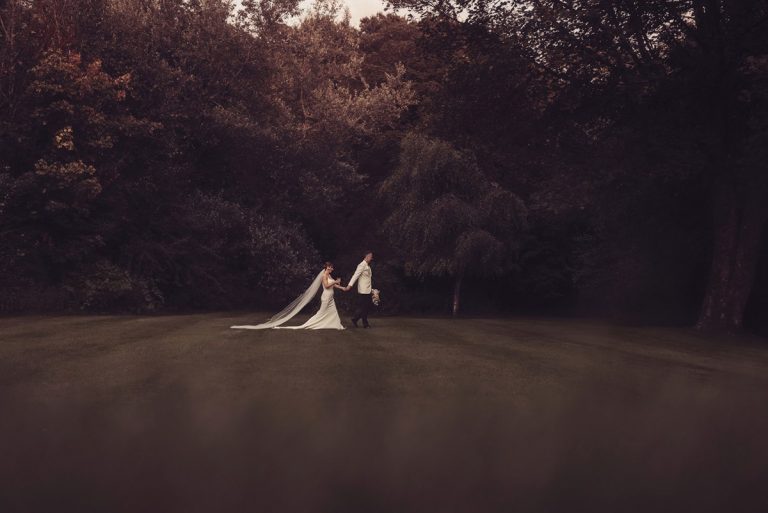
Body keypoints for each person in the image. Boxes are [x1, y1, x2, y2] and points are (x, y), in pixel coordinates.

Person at [230, 262, 347, 330]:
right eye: (330, 267)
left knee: (333, 311)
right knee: (321, 312)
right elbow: (326, 285)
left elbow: (333, 285)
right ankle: (310, 324)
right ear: (326, 267)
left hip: (330, 297)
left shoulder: (329, 275)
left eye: (332, 267)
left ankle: (337, 325)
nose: (332, 268)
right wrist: (335, 281)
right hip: (326, 296)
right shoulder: (324, 275)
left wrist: (341, 287)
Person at [345, 250, 374, 328]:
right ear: (367, 256)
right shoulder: (361, 265)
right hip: (363, 290)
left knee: (366, 307)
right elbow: (355, 276)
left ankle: (355, 319)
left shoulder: (367, 266)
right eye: (371, 257)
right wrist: (349, 285)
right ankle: (365, 323)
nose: (372, 258)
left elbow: (368, 279)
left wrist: (371, 289)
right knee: (364, 307)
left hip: (367, 289)